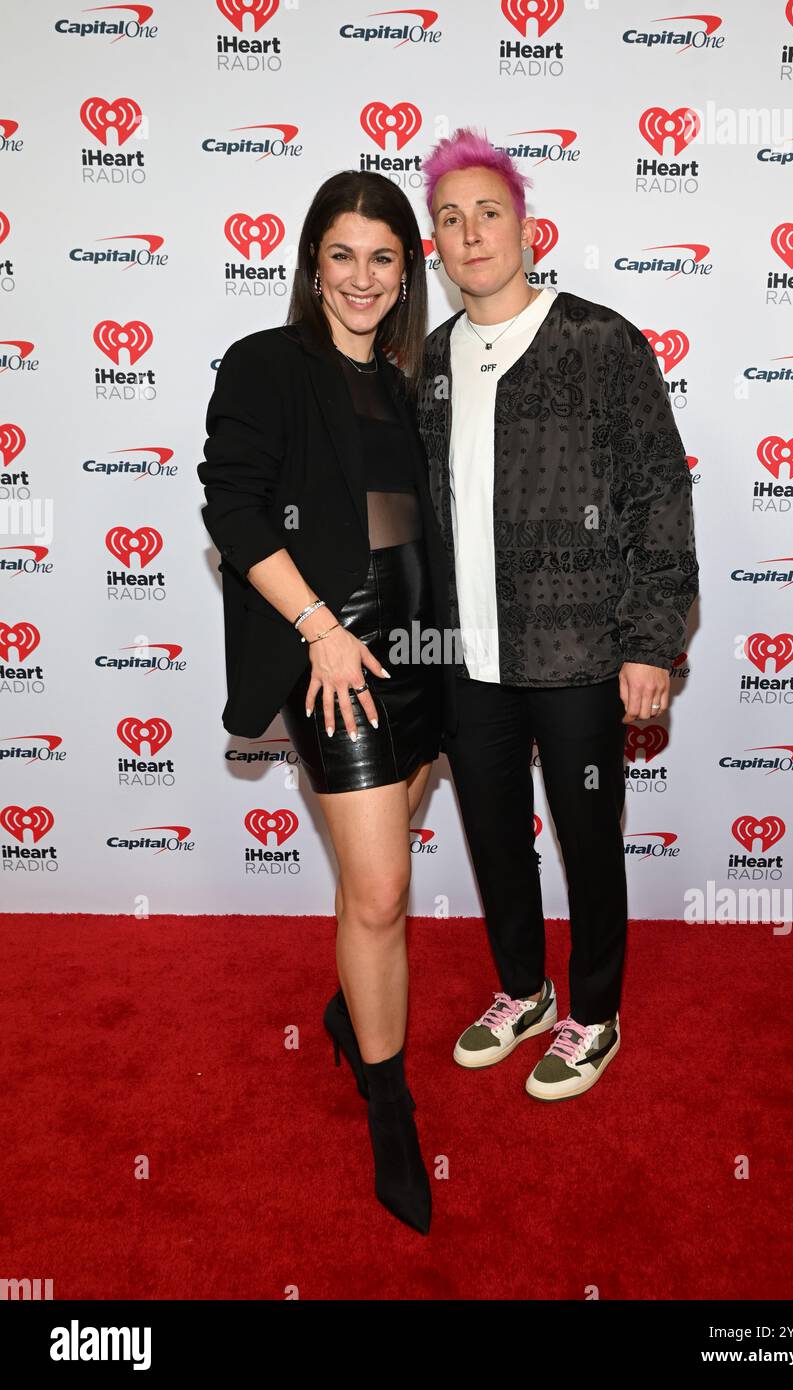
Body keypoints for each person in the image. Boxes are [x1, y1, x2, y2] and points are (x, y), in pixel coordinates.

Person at [417, 128, 700, 1102]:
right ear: (435, 247)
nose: (469, 233)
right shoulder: (429, 364)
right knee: (494, 834)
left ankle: (595, 1012)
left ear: (528, 228)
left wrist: (651, 641)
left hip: (583, 648)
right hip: (469, 652)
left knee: (586, 837)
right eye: (448, 219)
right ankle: (522, 991)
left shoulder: (599, 342)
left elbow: (657, 494)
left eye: (486, 211)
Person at [197, 171, 455, 1234]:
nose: (361, 277)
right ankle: (389, 1102)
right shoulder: (268, 364)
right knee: (385, 889)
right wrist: (319, 628)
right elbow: (233, 501)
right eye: (342, 255)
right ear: (313, 263)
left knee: (374, 864)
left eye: (383, 257)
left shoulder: (412, 384)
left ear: (407, 274)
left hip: (425, 644)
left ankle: (354, 1013)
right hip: (329, 645)